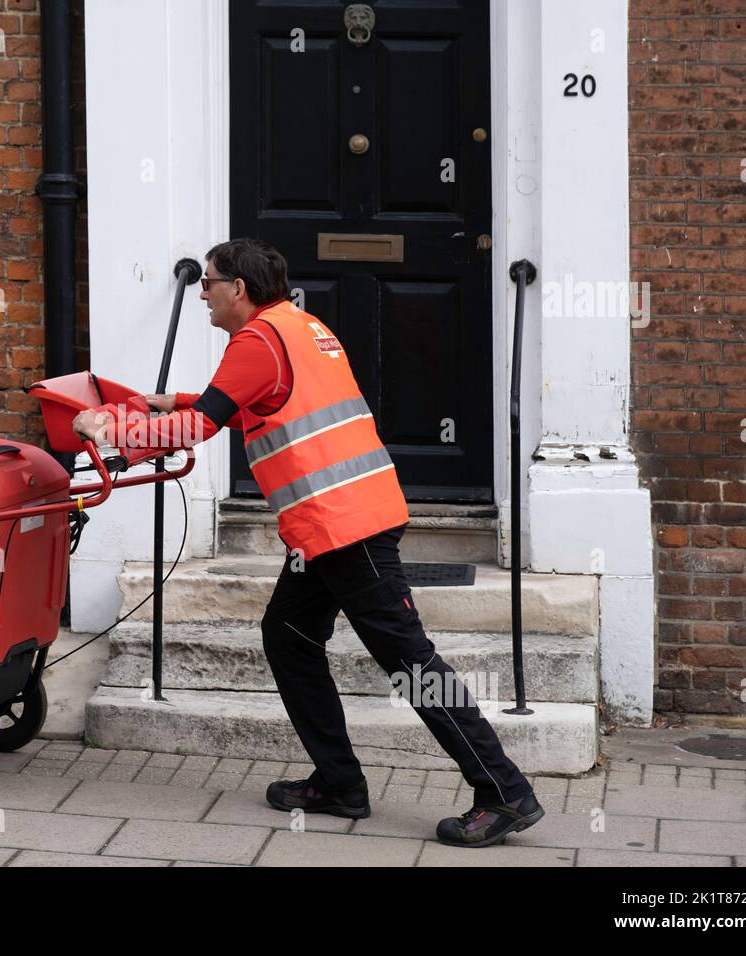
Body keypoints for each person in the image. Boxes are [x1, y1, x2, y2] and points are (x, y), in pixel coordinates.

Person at [72, 238, 544, 848]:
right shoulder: (301, 326)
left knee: (412, 664)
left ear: (238, 288)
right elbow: (256, 403)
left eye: (209, 282)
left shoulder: (254, 342)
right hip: (338, 523)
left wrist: (114, 427)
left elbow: (204, 425)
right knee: (289, 637)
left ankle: (503, 791)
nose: (202, 294)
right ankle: (339, 783)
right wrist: (172, 400)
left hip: (345, 527)